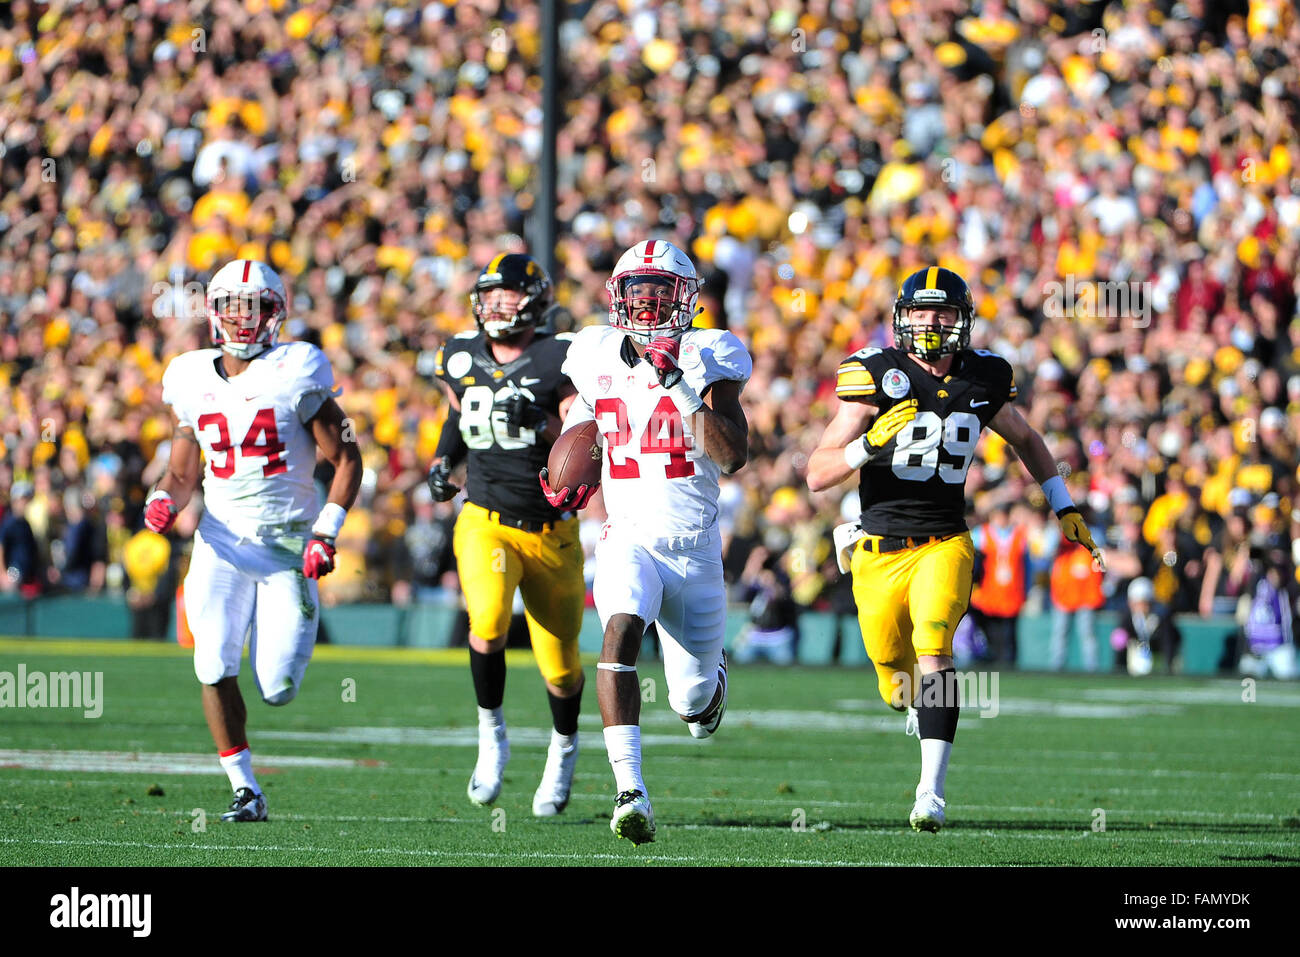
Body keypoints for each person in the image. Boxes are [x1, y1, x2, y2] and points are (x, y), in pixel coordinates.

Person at [807, 266, 1105, 832]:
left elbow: (1027, 439)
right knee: (896, 684)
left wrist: (1063, 504)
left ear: (962, 321)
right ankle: (914, 706)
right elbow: (818, 474)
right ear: (902, 317)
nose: (931, 322)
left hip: (946, 541)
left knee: (935, 647)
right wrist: (868, 443)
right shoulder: (874, 372)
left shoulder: (984, 377)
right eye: (921, 311)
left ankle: (930, 795)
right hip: (877, 548)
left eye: (943, 312)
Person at [546, 239, 750, 844]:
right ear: (618, 297)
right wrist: (569, 467)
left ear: (685, 300)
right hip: (629, 535)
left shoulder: (711, 353)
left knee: (691, 706)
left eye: (661, 294)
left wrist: (677, 385)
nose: (648, 305)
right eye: (638, 293)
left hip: (695, 547)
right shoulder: (593, 350)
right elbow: (581, 417)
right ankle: (629, 791)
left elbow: (732, 456)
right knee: (619, 628)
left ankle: (708, 687)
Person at [146, 258, 362, 823]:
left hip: (290, 546)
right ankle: (245, 788)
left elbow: (346, 457)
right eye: (232, 307)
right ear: (214, 312)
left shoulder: (297, 369)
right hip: (220, 541)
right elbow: (181, 472)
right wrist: (163, 497)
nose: (243, 319)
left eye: (255, 306)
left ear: (276, 311)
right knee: (211, 664)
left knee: (278, 686)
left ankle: (281, 639)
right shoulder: (190, 375)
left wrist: (326, 531)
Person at [426, 253, 587, 817]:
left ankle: (564, 749)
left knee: (562, 669)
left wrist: (539, 422)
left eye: (507, 296)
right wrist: (445, 460)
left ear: (535, 301)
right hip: (485, 519)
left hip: (552, 530)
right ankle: (490, 736)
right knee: (489, 623)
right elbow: (457, 414)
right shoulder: (458, 352)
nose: (495, 306)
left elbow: (581, 437)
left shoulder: (559, 356)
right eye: (488, 296)